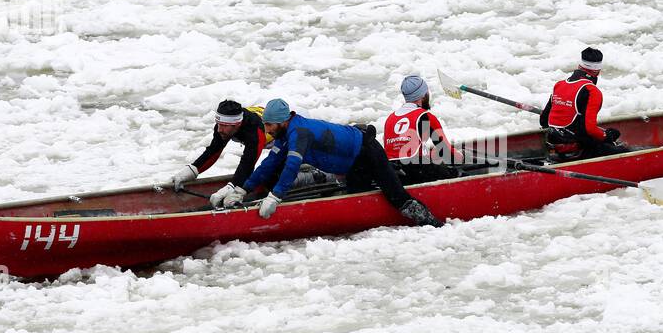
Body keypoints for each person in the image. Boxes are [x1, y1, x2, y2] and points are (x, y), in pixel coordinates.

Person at [236, 98, 444, 227]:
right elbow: (269, 164)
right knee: (356, 199)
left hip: (367, 150)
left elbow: (291, 168)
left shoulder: (299, 133)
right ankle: (393, 175)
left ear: (283, 121)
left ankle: (436, 226)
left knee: (398, 199)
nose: (267, 130)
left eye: (269, 125)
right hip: (354, 164)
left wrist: (275, 197)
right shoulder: (284, 135)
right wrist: (242, 190)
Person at [168, 100, 266, 208]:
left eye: (224, 126)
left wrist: (232, 187)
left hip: (273, 135)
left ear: (237, 124)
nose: (219, 129)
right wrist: (191, 170)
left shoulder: (255, 133)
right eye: (218, 124)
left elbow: (248, 164)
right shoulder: (224, 125)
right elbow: (213, 151)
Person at [539, 47, 625, 160]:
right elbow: (590, 129)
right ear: (597, 71)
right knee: (623, 148)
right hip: (577, 149)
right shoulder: (592, 91)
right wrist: (607, 136)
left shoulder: (559, 85)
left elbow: (544, 120)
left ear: (579, 65)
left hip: (553, 142)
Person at [383, 74, 461, 184]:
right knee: (457, 172)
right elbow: (445, 151)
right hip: (417, 171)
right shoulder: (425, 116)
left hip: (393, 173)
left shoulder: (390, 118)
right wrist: (461, 157)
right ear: (423, 95)